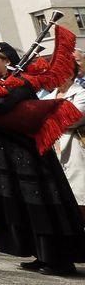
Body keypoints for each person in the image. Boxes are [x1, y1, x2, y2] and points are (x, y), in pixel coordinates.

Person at [0, 40, 85, 276]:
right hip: (6, 153)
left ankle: (58, 259)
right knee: (22, 206)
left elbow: (1, 105)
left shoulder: (21, 83)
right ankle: (38, 253)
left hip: (27, 156)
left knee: (39, 205)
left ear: (7, 60)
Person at [50, 62, 85, 217]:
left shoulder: (82, 94)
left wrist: (45, 119)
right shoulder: (46, 97)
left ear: (70, 74)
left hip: (76, 150)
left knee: (81, 194)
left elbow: (72, 120)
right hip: (53, 152)